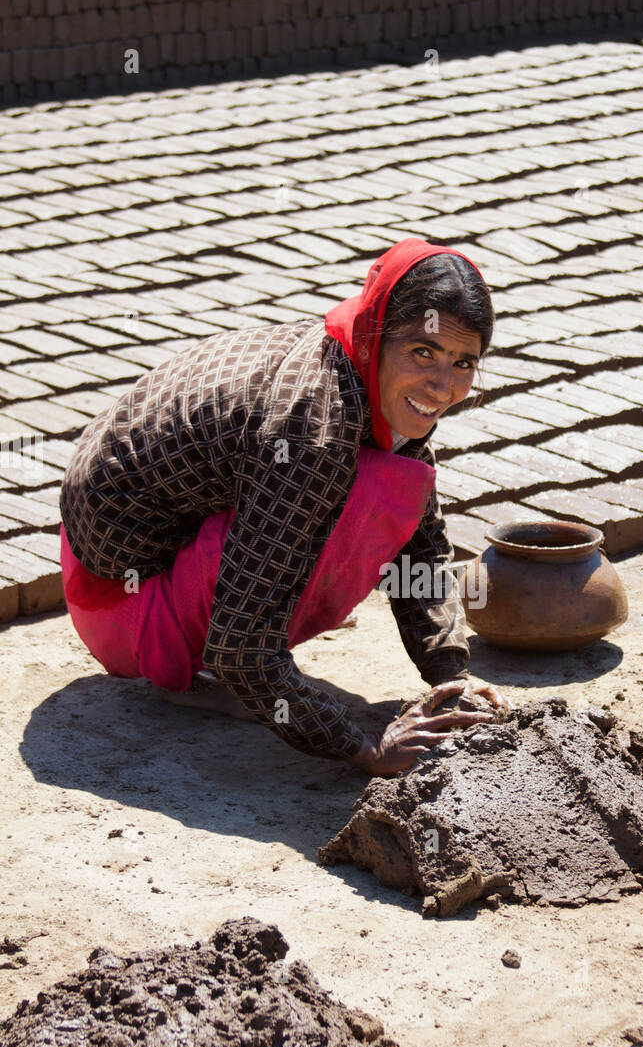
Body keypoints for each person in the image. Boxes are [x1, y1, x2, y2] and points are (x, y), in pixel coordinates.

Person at [59, 237, 506, 775]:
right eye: (423, 352)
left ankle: (225, 657)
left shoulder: (360, 372)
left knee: (388, 485)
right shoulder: (313, 431)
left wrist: (449, 671)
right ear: (376, 335)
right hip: (124, 600)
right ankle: (187, 670)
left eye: (463, 363)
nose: (442, 386)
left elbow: (419, 543)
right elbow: (240, 645)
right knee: (351, 499)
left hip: (155, 560)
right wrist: (364, 748)